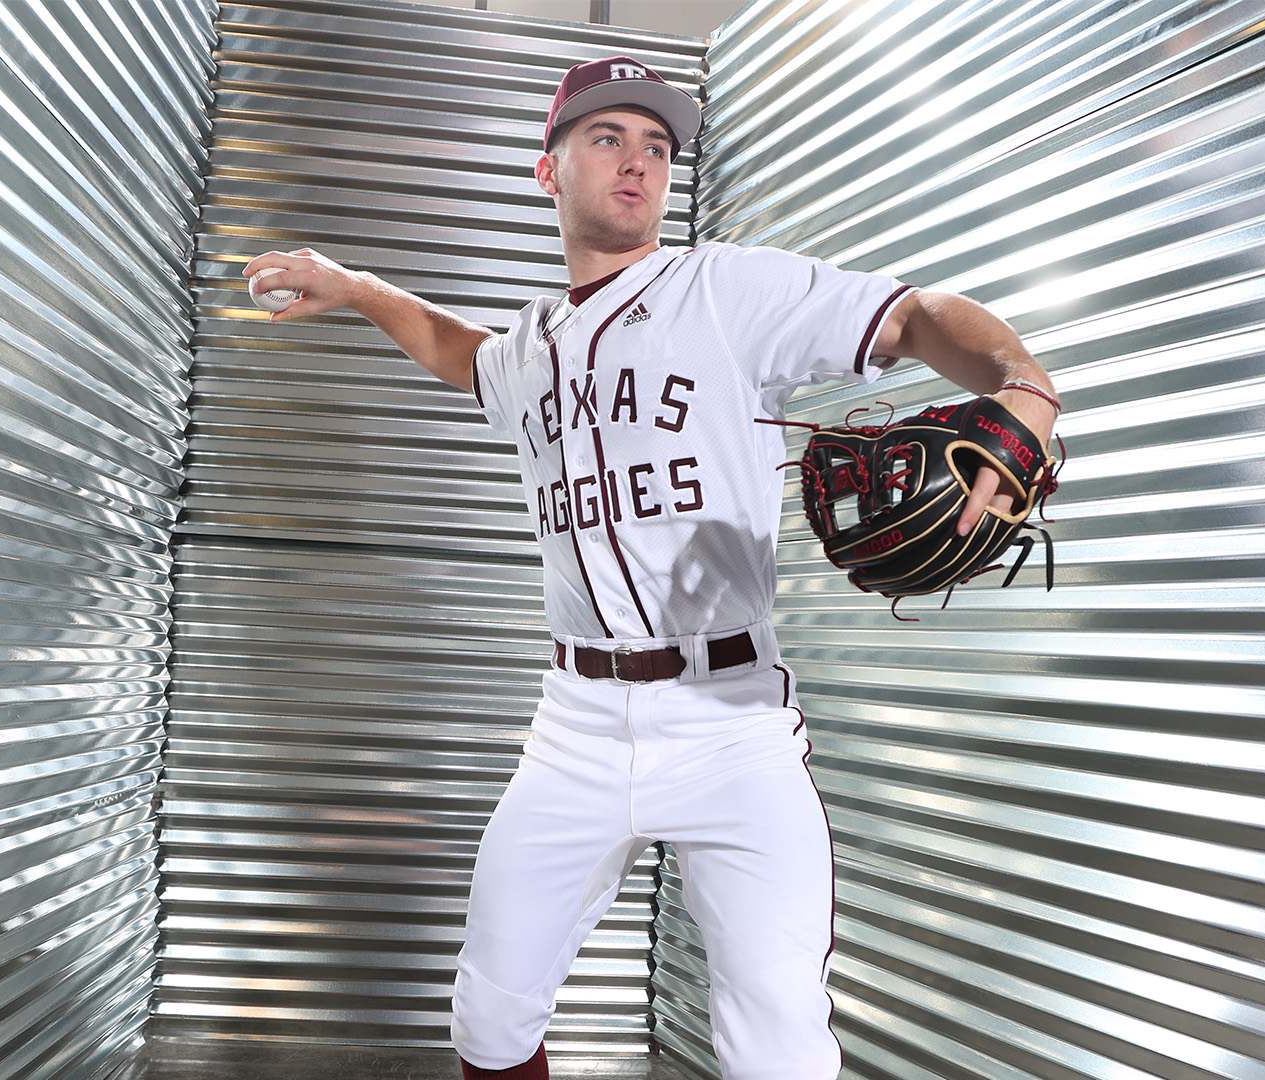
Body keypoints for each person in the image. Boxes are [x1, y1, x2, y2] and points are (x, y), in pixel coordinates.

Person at [243, 55, 1057, 1080]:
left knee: (780, 1047)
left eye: (658, 147)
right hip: (574, 729)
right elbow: (461, 353)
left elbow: (917, 316)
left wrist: (1023, 384)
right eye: (607, 138)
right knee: (487, 1022)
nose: (638, 163)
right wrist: (357, 288)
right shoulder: (532, 345)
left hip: (732, 723)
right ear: (549, 172)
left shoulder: (724, 288)